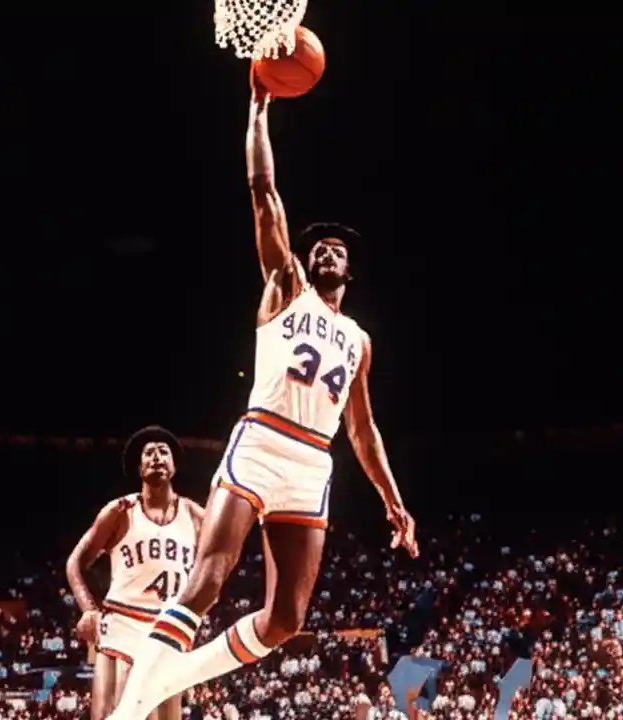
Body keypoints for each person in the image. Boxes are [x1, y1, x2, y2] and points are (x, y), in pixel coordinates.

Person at [106, 77, 418, 720]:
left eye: (339, 251)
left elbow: (363, 430)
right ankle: (135, 705)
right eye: (320, 247)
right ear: (306, 262)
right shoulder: (286, 287)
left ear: (350, 273)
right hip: (263, 439)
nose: (328, 251)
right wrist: (257, 111)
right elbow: (263, 192)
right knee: (211, 577)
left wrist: (394, 502)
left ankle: (170, 678)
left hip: (313, 464)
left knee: (286, 618)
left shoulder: (359, 340)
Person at [66, 425, 205, 720]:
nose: (157, 457)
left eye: (163, 452)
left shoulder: (195, 515)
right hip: (123, 621)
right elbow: (75, 563)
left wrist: (198, 610)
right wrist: (88, 610)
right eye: (149, 453)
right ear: (139, 467)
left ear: (174, 465)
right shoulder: (119, 511)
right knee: (112, 714)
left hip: (169, 625)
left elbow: (217, 567)